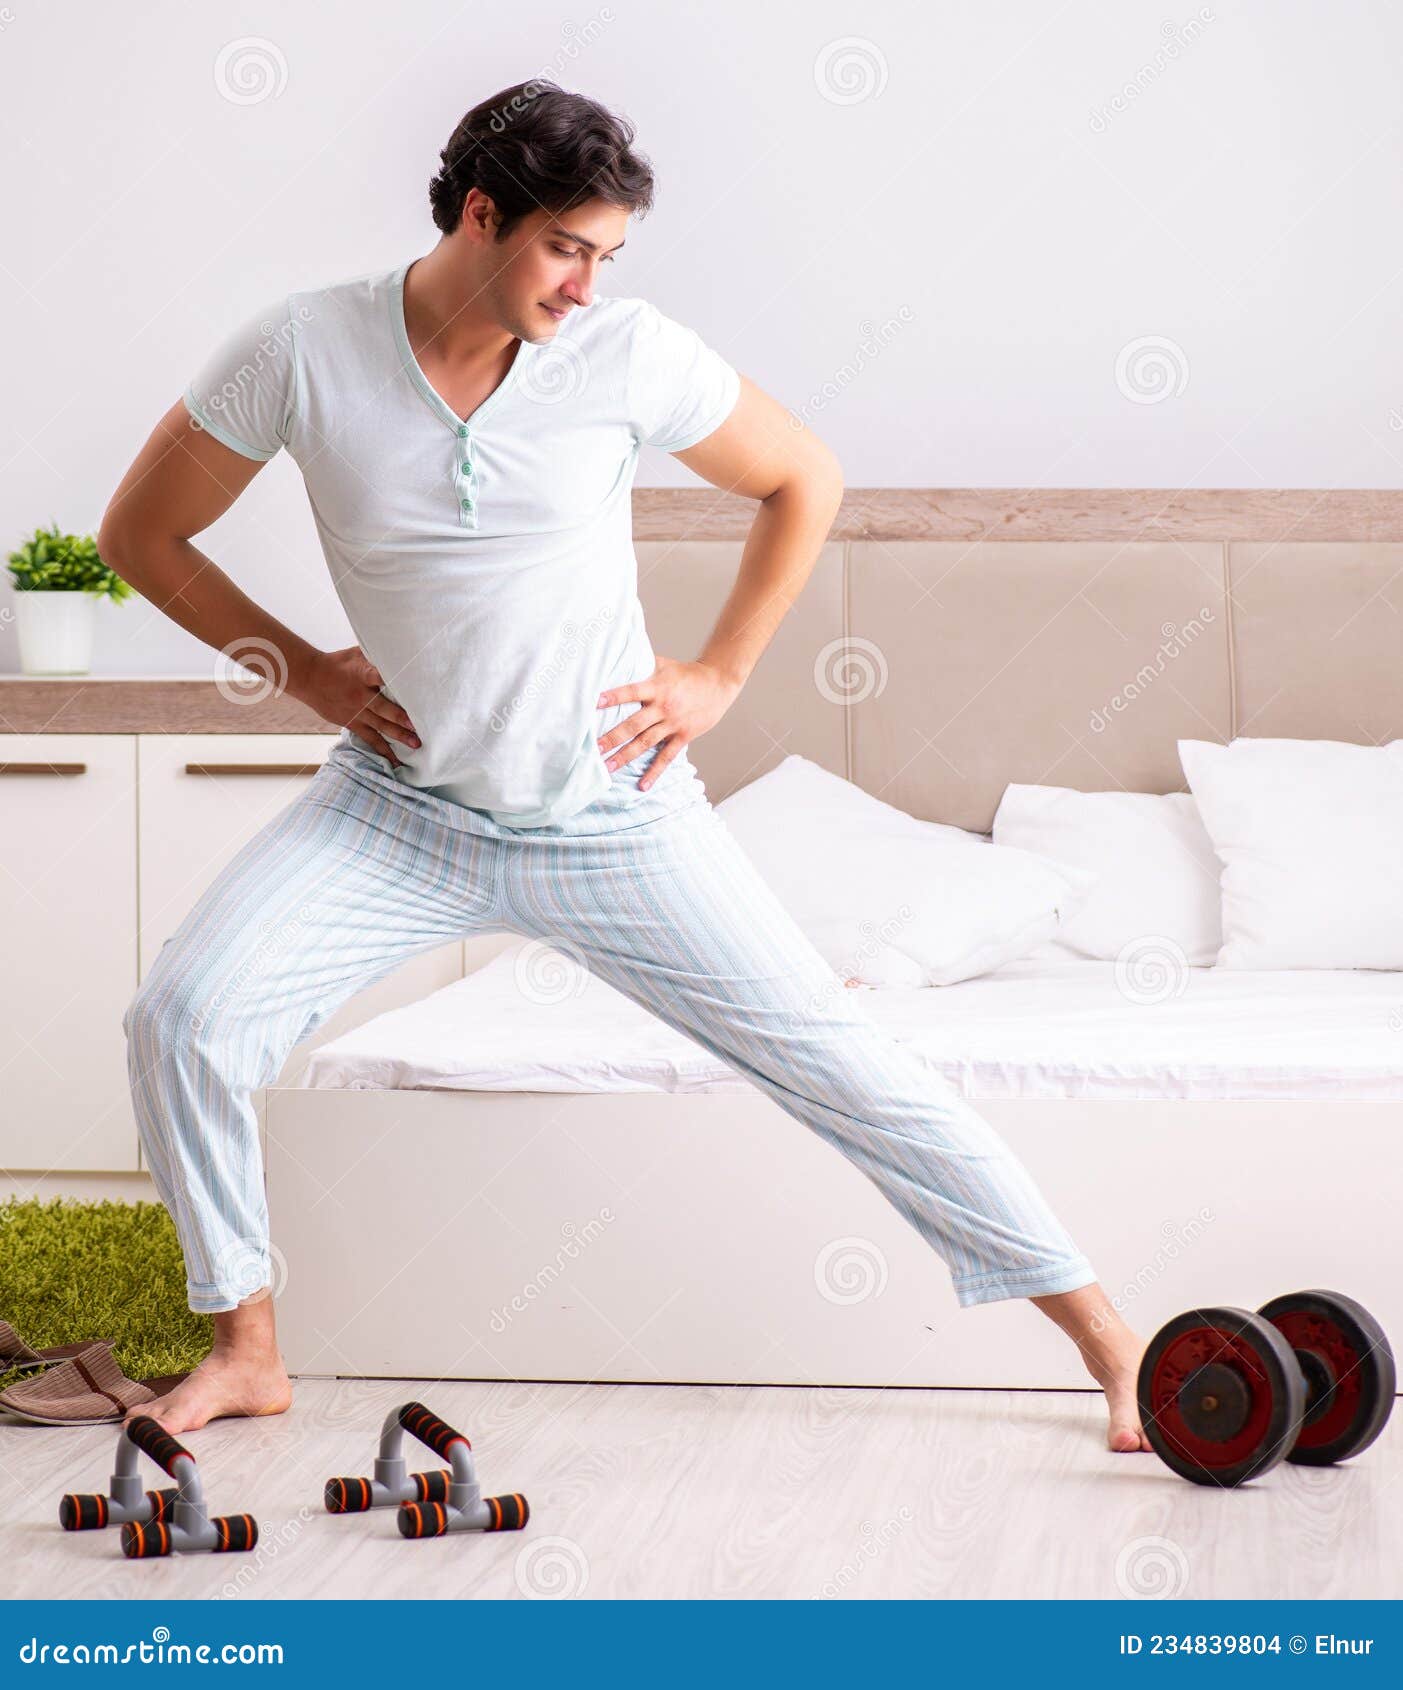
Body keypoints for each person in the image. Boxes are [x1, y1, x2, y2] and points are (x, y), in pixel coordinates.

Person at [99, 80, 1150, 1450]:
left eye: (608, 256)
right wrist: (304, 672)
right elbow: (143, 535)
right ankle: (247, 1345)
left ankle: (1113, 1339)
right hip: (400, 810)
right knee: (180, 1014)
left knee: (843, 1061)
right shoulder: (303, 349)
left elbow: (804, 477)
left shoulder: (630, 352)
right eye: (566, 248)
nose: (588, 285)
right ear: (482, 214)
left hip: (613, 812)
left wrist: (716, 675)